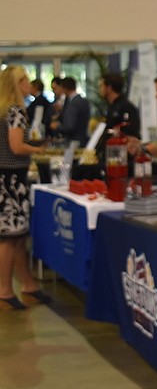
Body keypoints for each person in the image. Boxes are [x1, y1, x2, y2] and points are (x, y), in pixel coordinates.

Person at [0, 66, 51, 310]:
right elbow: (17, 146)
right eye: (26, 80)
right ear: (18, 83)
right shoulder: (16, 110)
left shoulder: (2, 110)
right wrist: (39, 149)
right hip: (11, 181)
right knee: (9, 238)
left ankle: (28, 284)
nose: (30, 84)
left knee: (17, 236)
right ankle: (5, 289)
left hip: (5, 178)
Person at [100, 72, 141, 139]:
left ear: (109, 88)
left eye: (101, 86)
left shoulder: (126, 107)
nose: (100, 89)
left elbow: (131, 131)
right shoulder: (111, 106)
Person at [51, 76, 91, 146]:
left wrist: (57, 126)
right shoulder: (83, 101)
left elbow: (69, 126)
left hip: (75, 142)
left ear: (64, 88)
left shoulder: (74, 103)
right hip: (83, 139)